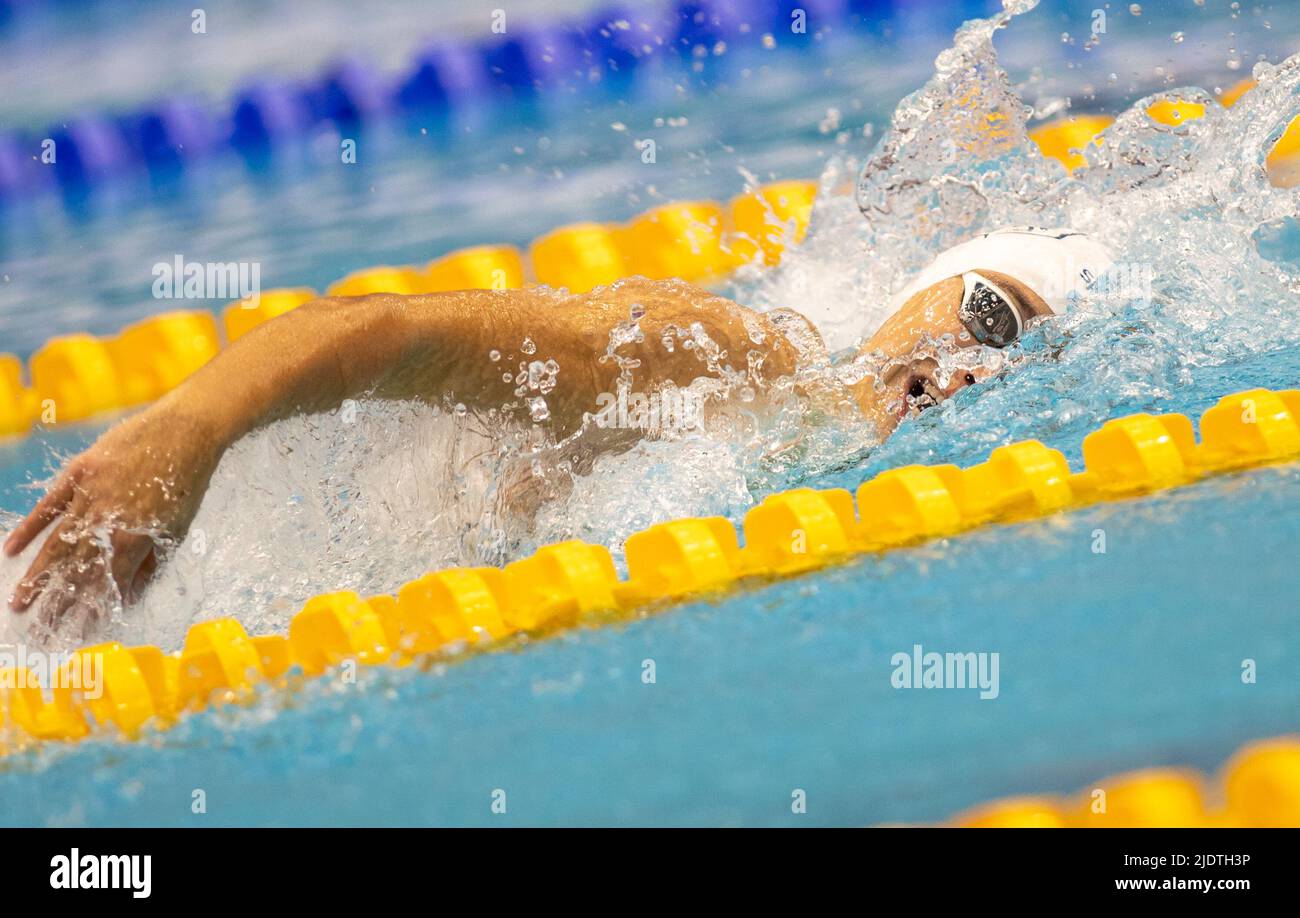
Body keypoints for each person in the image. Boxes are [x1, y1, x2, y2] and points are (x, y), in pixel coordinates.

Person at [3, 226, 1111, 625]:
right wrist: (184, 433)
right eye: (982, 315)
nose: (963, 374)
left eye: (1006, 349)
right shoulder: (721, 361)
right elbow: (383, 330)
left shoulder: (824, 471)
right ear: (916, 305)